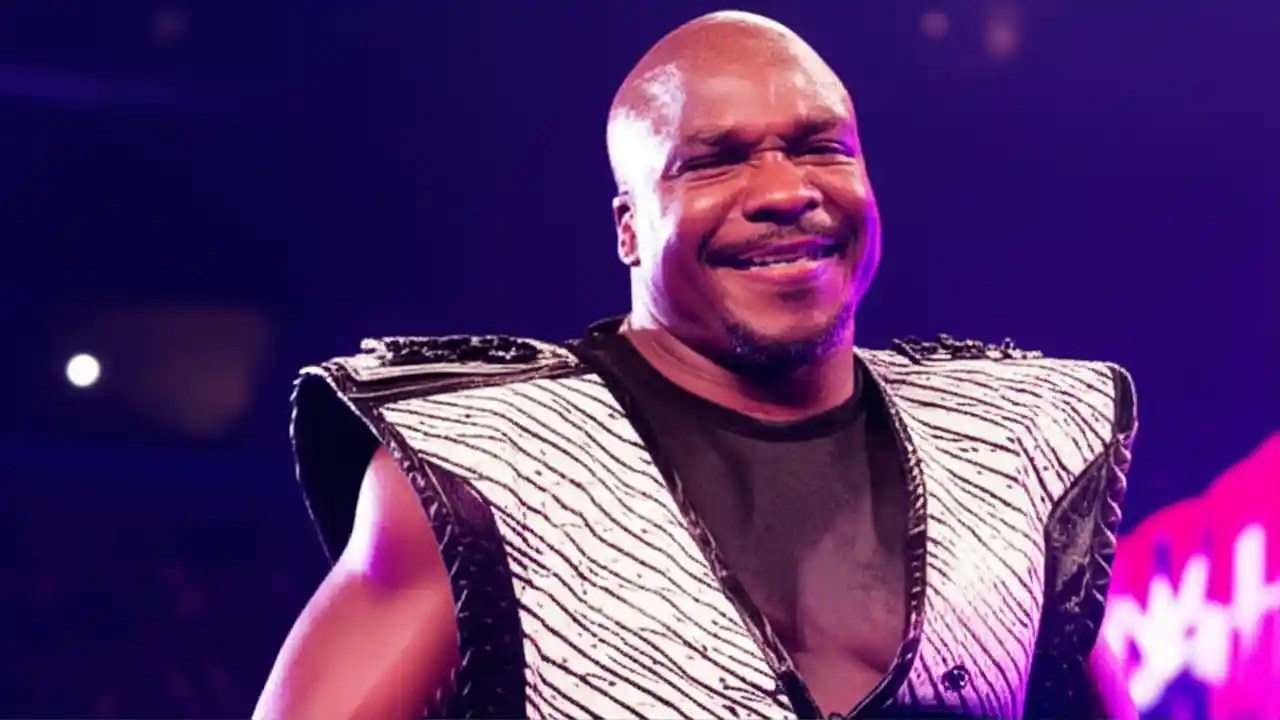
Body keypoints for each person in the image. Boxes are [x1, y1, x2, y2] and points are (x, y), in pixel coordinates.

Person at [256, 10, 1139, 719]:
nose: (787, 192)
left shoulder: (1004, 453)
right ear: (628, 227)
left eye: (821, 147)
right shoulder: (481, 476)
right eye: (715, 162)